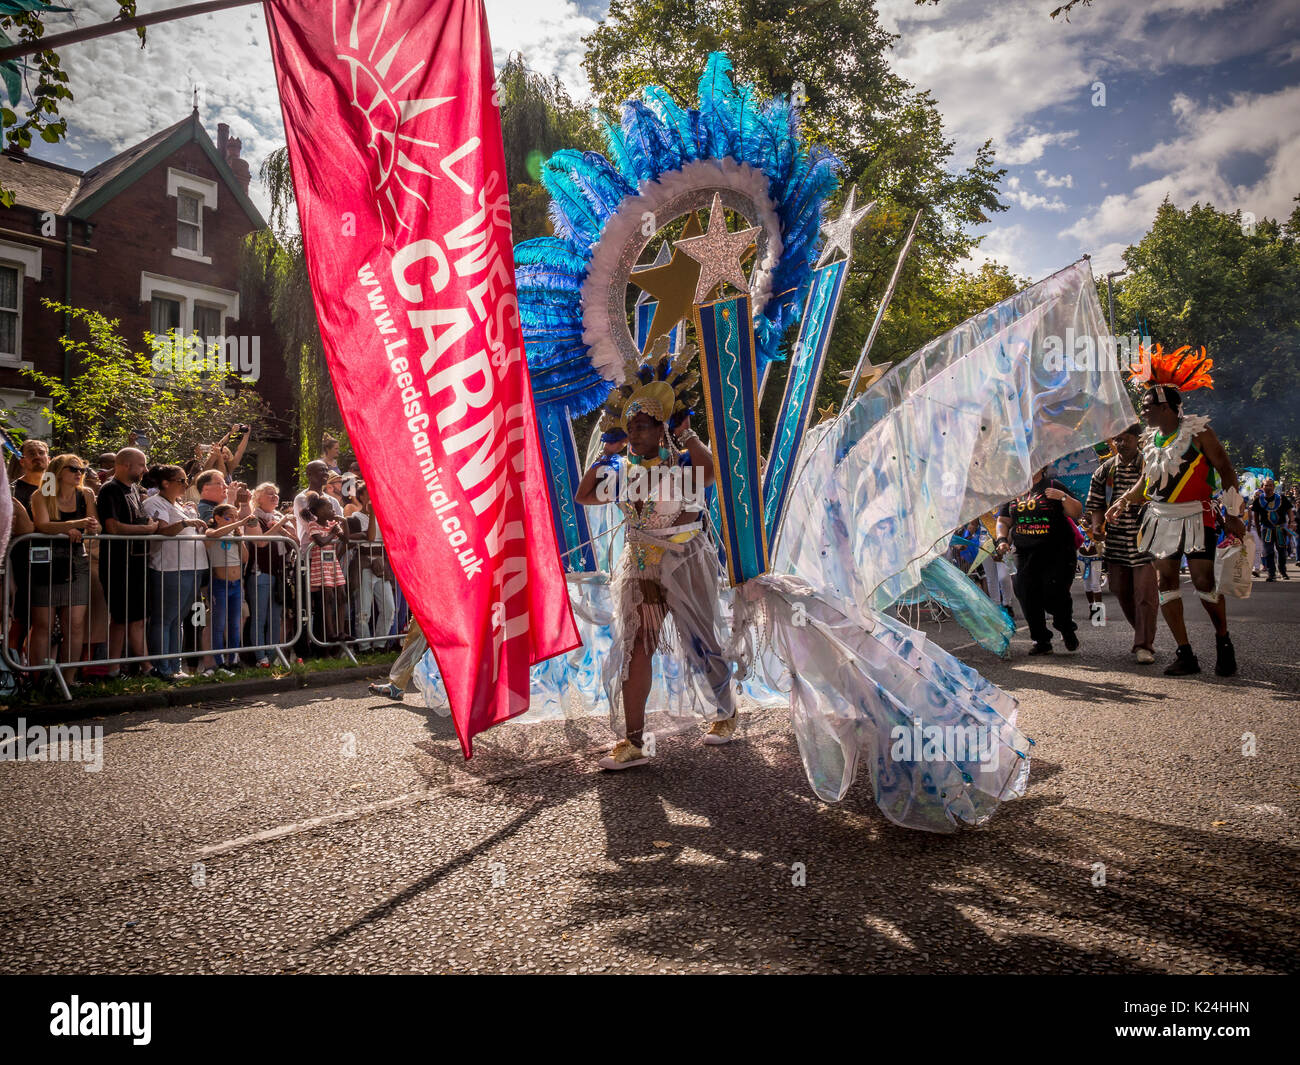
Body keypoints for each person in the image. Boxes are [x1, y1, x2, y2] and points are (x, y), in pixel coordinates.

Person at [574, 343, 734, 769]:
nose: (637, 433)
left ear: (662, 427)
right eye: (632, 426)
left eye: (646, 425)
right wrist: (606, 452)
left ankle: (725, 711)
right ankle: (633, 742)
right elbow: (584, 495)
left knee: (701, 640)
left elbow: (711, 472)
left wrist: (686, 432)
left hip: (684, 562)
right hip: (641, 568)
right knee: (636, 648)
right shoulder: (622, 471)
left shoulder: (681, 464)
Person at [1106, 345, 1243, 677]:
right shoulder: (1151, 440)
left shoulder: (1199, 433)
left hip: (1197, 515)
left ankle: (1223, 642)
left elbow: (1225, 469)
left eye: (1148, 406)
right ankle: (1186, 653)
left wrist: (1235, 512)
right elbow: (1146, 480)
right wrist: (1124, 500)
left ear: (1167, 407)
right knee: (1166, 581)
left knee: (1202, 581)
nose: (1144, 411)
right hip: (1160, 519)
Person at [1085, 426, 1159, 664]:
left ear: (1137, 439)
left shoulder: (1148, 465)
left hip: (1145, 540)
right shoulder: (1104, 471)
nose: (1120, 443)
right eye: (1117, 439)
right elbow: (1096, 504)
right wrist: (1097, 526)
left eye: (1125, 438)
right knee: (1120, 589)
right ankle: (1143, 630)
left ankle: (1143, 645)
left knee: (1144, 593)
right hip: (1115, 542)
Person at [994, 466, 1083, 655]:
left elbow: (1076, 512)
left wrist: (1062, 497)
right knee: (1026, 594)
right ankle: (1041, 639)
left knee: (1054, 593)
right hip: (1024, 553)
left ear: (1042, 465)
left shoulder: (1053, 485)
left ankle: (1065, 626)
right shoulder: (1014, 491)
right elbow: (1003, 520)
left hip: (1057, 553)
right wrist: (1002, 540)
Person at [29, 454, 99, 682]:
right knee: (43, 624)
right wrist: (71, 526)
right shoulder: (41, 495)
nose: (79, 473)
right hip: (47, 562)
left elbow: (93, 525)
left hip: (77, 561)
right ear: (58, 471)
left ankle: (68, 679)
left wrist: (91, 526)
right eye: (73, 469)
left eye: (82, 469)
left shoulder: (86, 494)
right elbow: (43, 524)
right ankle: (38, 680)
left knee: (75, 625)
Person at [141, 465, 209, 679]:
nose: (185, 484)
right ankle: (163, 667)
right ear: (165, 483)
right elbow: (161, 531)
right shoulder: (153, 503)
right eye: (181, 480)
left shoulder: (180, 504)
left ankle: (175, 666)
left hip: (192, 565)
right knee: (164, 618)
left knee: (178, 619)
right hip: (169, 567)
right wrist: (184, 522)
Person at [97, 447, 159, 673]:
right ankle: (138, 666)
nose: (145, 469)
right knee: (124, 618)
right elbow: (112, 526)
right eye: (141, 465)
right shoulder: (110, 489)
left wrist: (149, 523)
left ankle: (126, 667)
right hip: (118, 563)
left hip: (137, 562)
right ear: (124, 465)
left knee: (135, 618)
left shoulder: (134, 489)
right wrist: (146, 529)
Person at [247, 483, 294, 667]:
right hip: (259, 573)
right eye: (269, 494)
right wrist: (281, 524)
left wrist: (281, 526)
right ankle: (261, 657)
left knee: (275, 617)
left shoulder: (279, 517)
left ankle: (273, 656)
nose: (275, 497)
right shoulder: (253, 518)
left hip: (278, 574)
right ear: (258, 498)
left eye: (276, 494)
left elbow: (295, 540)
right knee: (259, 617)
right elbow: (260, 543)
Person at [344, 479, 394, 644]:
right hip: (364, 563)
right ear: (361, 496)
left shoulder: (383, 515)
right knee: (363, 609)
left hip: (380, 562)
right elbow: (371, 537)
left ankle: (380, 643)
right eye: (369, 492)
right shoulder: (355, 518)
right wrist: (372, 513)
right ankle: (364, 644)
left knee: (389, 608)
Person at [205, 503, 252, 672]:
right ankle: (218, 662)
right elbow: (215, 534)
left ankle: (233, 659)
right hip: (219, 584)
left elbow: (245, 558)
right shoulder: (211, 532)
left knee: (234, 624)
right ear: (217, 518)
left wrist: (240, 539)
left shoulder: (234, 533)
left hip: (236, 584)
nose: (234, 520)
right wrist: (238, 524)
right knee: (218, 625)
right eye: (229, 517)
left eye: (235, 517)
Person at [298, 492, 349, 644]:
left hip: (332, 564)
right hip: (320, 565)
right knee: (328, 597)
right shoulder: (313, 525)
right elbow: (320, 542)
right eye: (329, 507)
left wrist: (344, 523)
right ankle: (331, 632)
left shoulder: (333, 525)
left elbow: (346, 539)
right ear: (319, 511)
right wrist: (332, 533)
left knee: (341, 595)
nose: (333, 510)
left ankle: (341, 631)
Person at [1251, 478, 1292, 581]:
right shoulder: (1258, 500)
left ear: (1273, 487)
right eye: (1266, 485)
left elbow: (1289, 510)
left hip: (1280, 529)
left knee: (1282, 551)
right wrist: (1259, 530)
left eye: (1270, 485)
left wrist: (1292, 522)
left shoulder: (1282, 498)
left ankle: (1282, 571)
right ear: (1262, 487)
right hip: (1266, 529)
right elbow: (1256, 517)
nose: (1268, 487)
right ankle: (1271, 574)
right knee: (1269, 551)